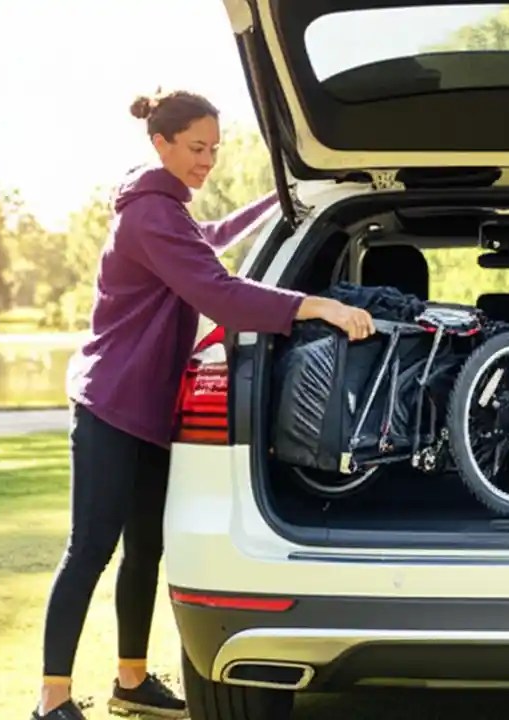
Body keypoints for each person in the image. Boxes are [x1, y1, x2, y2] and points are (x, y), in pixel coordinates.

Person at [31, 89, 374, 720]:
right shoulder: (149, 215)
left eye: (214, 149)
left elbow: (210, 239)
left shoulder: (168, 210)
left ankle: (131, 681)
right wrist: (315, 305)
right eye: (196, 148)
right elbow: (217, 292)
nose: (207, 161)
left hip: (149, 408)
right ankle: (51, 698)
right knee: (91, 548)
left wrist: (283, 198)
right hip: (110, 404)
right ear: (159, 143)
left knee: (145, 549)